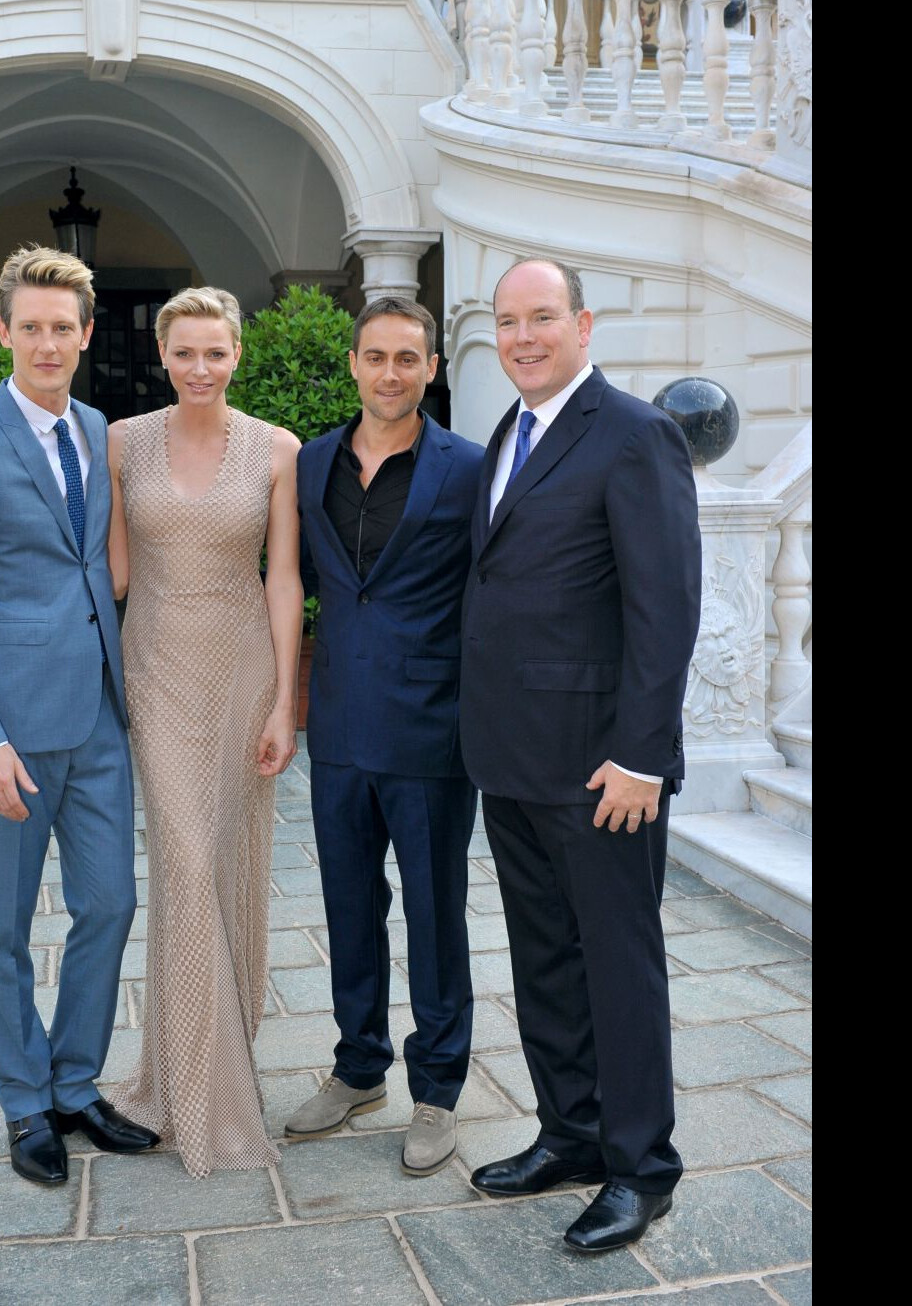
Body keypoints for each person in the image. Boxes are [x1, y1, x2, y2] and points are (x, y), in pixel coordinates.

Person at [460, 258, 701, 1252]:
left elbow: (666, 606)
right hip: (512, 760)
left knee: (619, 963)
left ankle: (643, 1168)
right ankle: (570, 1134)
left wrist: (643, 756)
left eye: (542, 318)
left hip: (606, 770)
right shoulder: (506, 434)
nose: (523, 337)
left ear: (584, 325)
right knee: (543, 959)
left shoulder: (636, 435)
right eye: (509, 321)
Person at [0, 245, 158, 1187]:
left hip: (99, 715)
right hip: (8, 732)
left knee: (109, 903)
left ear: (87, 335)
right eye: (32, 327)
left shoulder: (98, 427)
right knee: (3, 927)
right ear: (4, 331)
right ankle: (24, 1104)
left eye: (65, 328)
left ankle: (75, 1082)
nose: (48, 343)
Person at [285, 297, 485, 1178]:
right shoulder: (309, 463)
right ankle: (358, 1066)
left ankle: (436, 1088)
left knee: (436, 914)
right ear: (355, 363)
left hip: (433, 731)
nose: (391, 373)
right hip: (337, 725)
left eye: (409, 358)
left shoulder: (470, 470)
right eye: (377, 356)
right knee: (348, 907)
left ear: (431, 368)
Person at [105, 286, 302, 1178]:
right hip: (155, 669)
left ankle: (201, 1067)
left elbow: (285, 581)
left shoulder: (277, 450)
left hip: (241, 671)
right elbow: (108, 570)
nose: (199, 367)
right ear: (161, 353)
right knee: (184, 863)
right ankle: (193, 1088)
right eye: (184, 351)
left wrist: (284, 701)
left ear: (237, 355)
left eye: (215, 351)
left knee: (221, 867)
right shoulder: (121, 442)